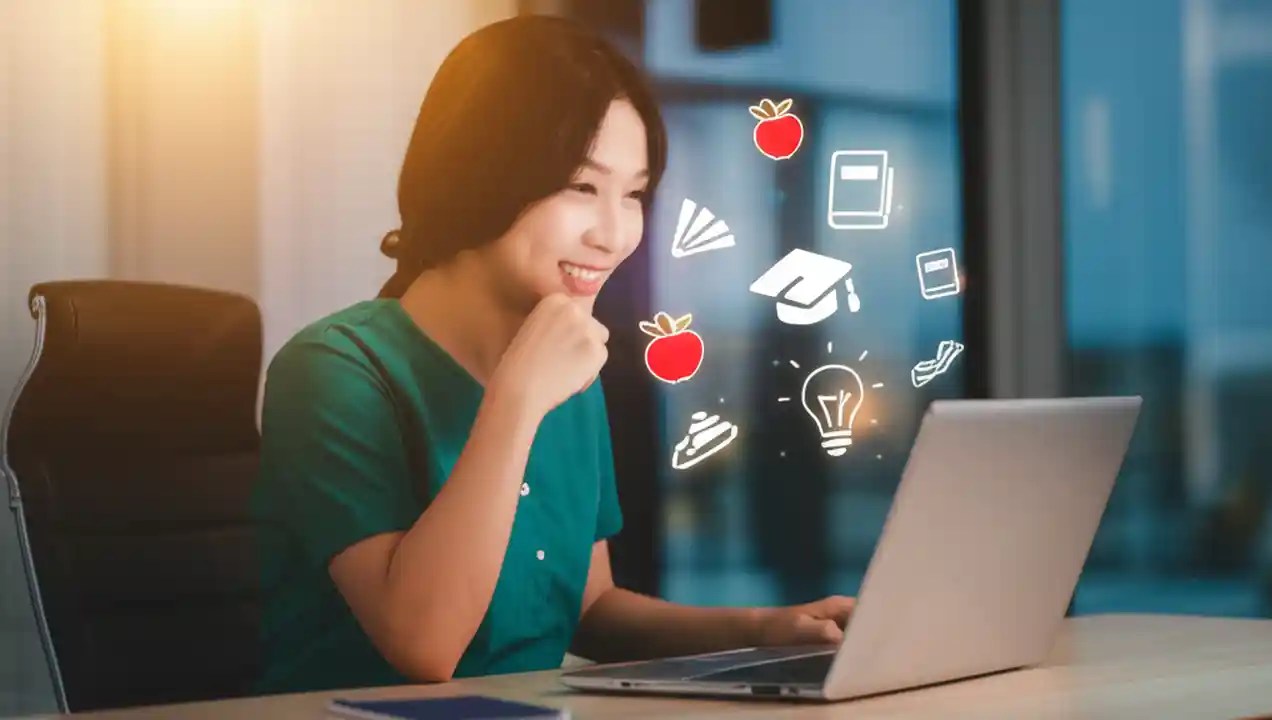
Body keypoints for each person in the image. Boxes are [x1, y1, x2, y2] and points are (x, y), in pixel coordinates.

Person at [251, 14, 854, 695]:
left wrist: (762, 629)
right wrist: (517, 399)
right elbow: (424, 647)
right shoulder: (334, 370)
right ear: (479, 172)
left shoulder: (566, 369)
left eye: (633, 194)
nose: (614, 233)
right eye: (581, 186)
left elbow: (587, 609)